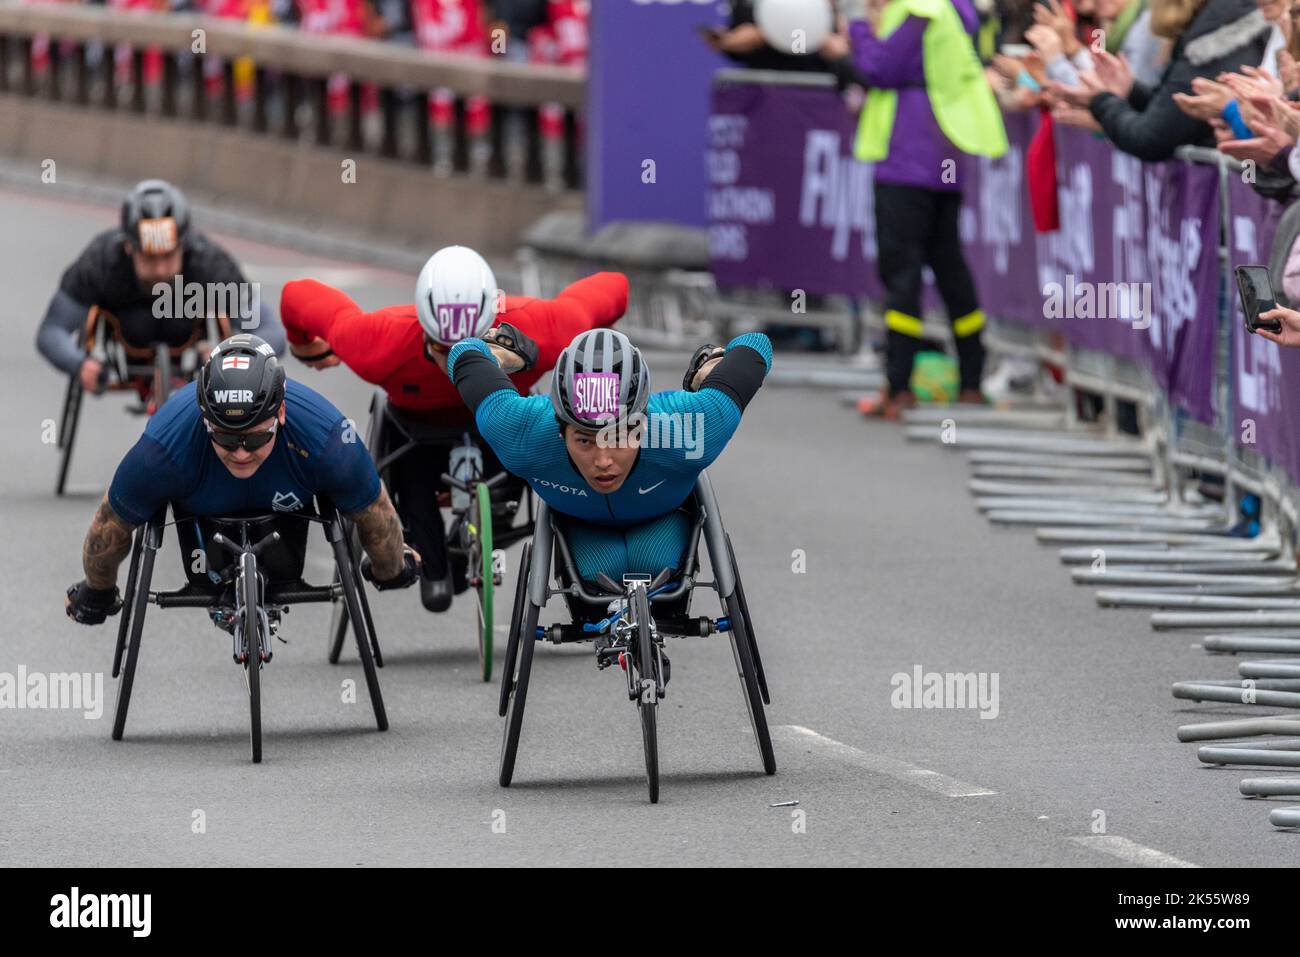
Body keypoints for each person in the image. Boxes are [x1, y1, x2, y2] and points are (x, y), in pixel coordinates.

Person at [280, 246, 628, 611]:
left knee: (527, 444)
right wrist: (305, 344)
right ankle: (431, 563)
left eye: (474, 351)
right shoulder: (380, 341)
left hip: (500, 429)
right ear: (425, 328)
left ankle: (474, 543)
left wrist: (307, 347)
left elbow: (613, 286)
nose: (457, 366)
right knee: (411, 480)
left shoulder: (537, 326)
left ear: (494, 328)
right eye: (444, 350)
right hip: (416, 440)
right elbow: (296, 295)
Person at [63, 334, 416, 626]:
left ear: (280, 412)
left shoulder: (329, 441)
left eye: (256, 438)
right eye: (227, 439)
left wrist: (391, 568)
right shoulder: (162, 450)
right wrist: (99, 589)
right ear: (204, 420)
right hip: (201, 526)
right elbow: (109, 524)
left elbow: (375, 512)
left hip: (287, 522)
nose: (242, 454)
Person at [446, 327, 771, 643]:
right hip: (583, 530)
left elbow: (756, 343)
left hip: (662, 521)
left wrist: (715, 372)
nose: (603, 460)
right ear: (560, 431)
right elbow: (463, 351)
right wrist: (500, 354)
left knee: (652, 562)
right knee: (599, 575)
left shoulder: (686, 429)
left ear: (642, 425)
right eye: (585, 440)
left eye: (618, 437)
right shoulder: (523, 433)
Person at [838, 0, 1009, 419]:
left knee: (902, 270)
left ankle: (897, 387)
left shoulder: (920, 8)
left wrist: (856, 29)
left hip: (907, 156)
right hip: (941, 151)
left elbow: (880, 69)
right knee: (949, 264)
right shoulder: (955, 8)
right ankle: (971, 379)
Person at [36, 179, 286, 407]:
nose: (160, 269)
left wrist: (227, 357)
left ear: (184, 245)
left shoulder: (210, 264)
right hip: (127, 337)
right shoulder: (100, 262)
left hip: (186, 336)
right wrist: (79, 364)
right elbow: (51, 331)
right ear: (128, 247)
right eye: (149, 257)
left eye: (168, 256)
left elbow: (269, 331)